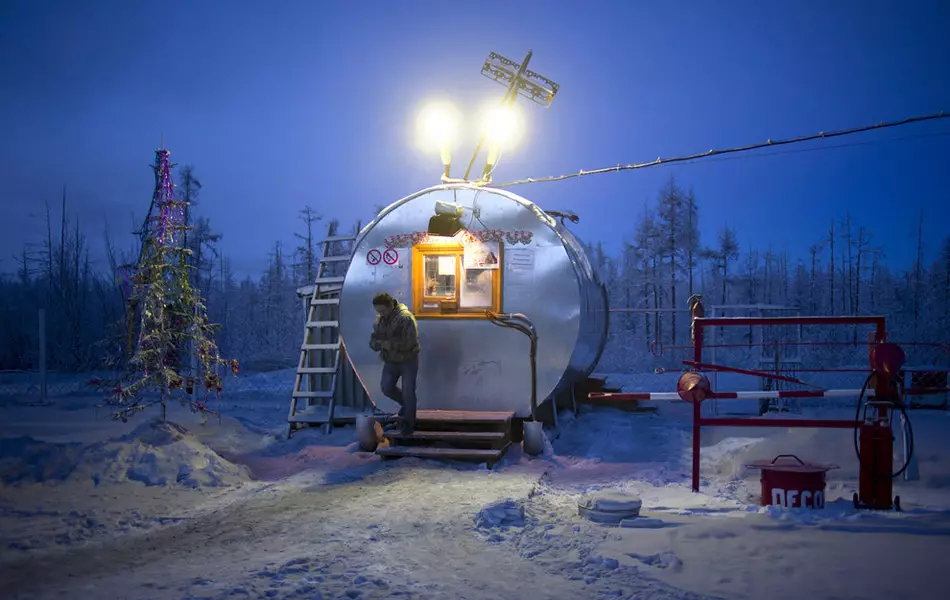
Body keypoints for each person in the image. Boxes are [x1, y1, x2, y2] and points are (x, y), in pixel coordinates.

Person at [369, 292, 421, 435]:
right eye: (378, 311)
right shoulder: (380, 320)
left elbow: (410, 342)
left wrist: (390, 344)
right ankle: (407, 406)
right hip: (391, 361)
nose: (381, 313)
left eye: (383, 310)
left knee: (408, 392)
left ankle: (408, 425)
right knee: (386, 387)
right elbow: (373, 339)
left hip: (408, 360)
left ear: (391, 305)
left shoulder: (406, 319)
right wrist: (375, 344)